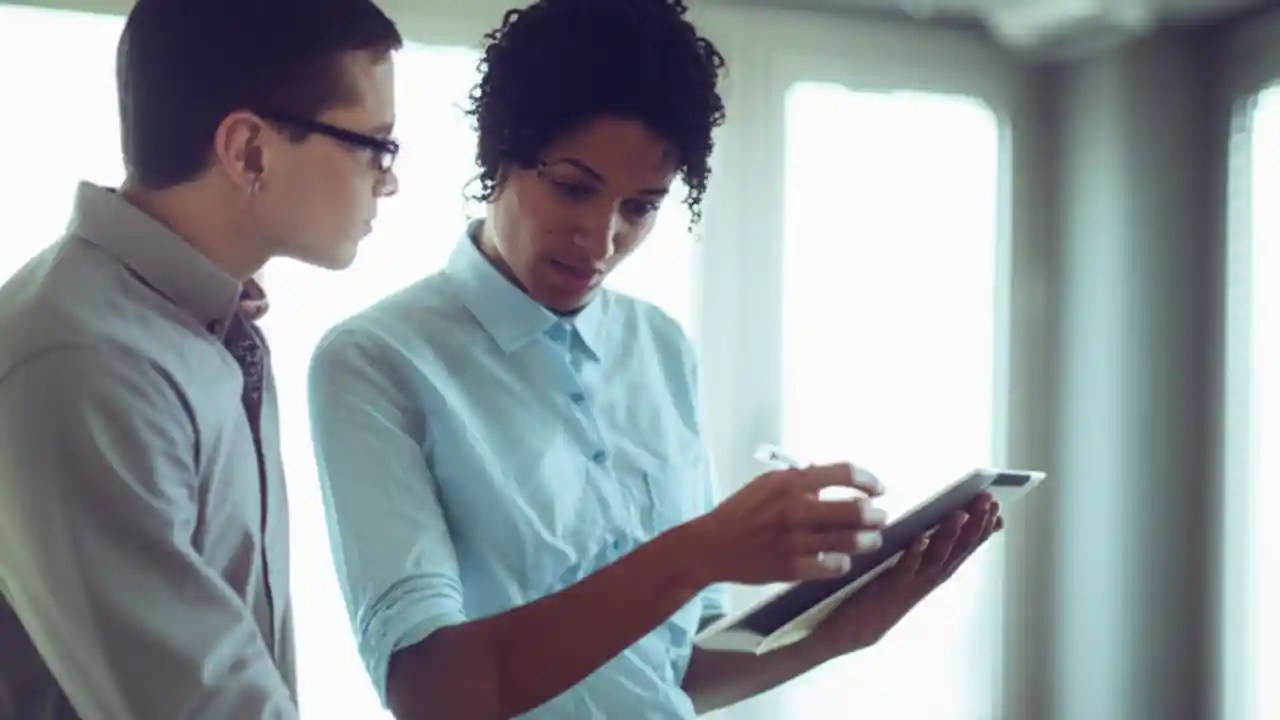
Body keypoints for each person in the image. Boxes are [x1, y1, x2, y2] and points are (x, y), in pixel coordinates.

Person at [307, 0, 1001, 717]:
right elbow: (429, 692)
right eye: (573, 187)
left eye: (640, 207)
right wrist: (702, 549)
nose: (602, 238)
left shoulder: (661, 348)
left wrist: (840, 631)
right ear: (501, 152)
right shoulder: (377, 361)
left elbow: (675, 671)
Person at [0, 0, 401, 717]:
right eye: (373, 146)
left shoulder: (199, 327)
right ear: (250, 152)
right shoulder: (83, 359)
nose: (388, 181)